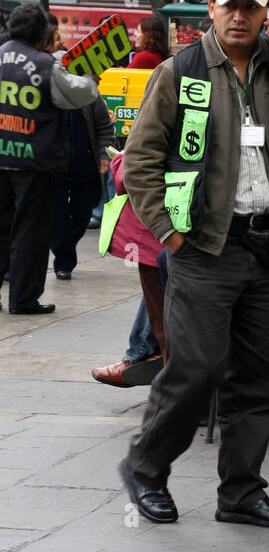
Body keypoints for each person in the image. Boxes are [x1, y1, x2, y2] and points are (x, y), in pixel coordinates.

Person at [118, 0, 269, 527]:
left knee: (263, 380)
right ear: (212, 10)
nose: (240, 16)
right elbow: (140, 161)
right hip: (204, 247)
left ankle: (241, 491)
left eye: (252, 7)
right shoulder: (180, 72)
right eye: (231, 6)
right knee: (195, 371)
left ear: (267, 13)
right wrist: (170, 233)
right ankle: (146, 470)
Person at [0, 4, 99, 314]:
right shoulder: (46, 65)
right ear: (41, 32)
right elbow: (77, 95)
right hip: (33, 161)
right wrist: (90, 79)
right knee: (30, 230)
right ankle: (23, 298)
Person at [46, 13, 114, 282]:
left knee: (83, 213)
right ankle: (64, 260)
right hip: (56, 165)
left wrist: (103, 154)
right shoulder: (49, 92)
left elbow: (104, 126)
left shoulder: (88, 93)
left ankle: (64, 246)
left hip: (85, 164)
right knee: (59, 216)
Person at [91, 150, 167, 384]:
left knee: (164, 303)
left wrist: (120, 160)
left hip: (166, 227)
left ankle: (143, 353)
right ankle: (141, 351)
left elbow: (130, 173)